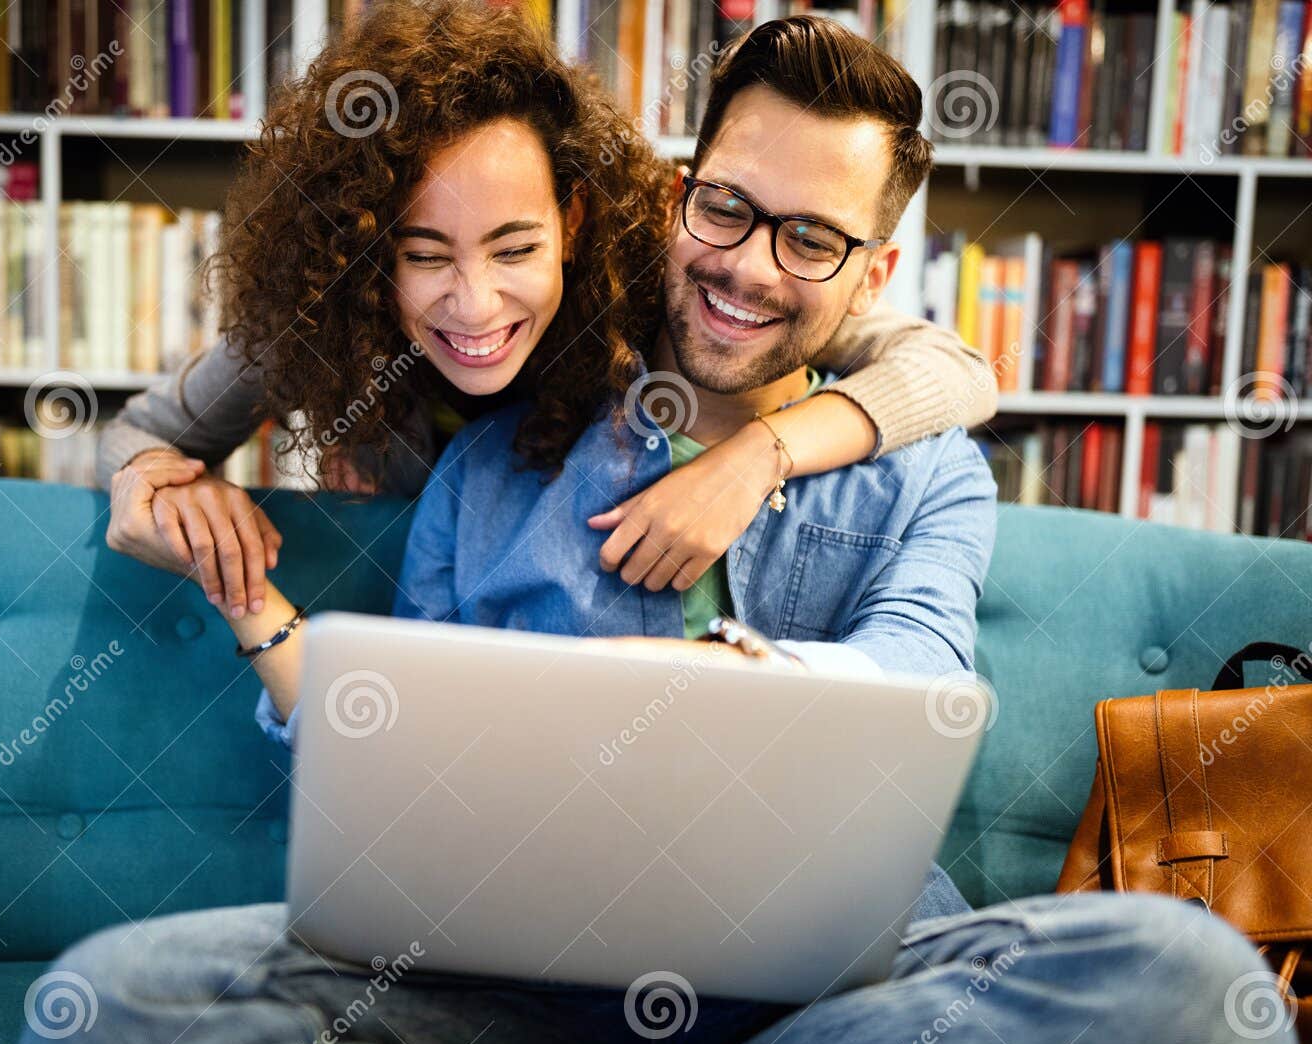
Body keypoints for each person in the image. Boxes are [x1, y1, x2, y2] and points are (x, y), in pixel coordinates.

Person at [18, 14, 1297, 1044]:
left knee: (1186, 980)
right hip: (512, 984)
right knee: (120, 999)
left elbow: (918, 657)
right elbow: (389, 761)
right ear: (680, 197)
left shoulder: (925, 473)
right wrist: (175, 502)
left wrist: (759, 629)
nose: (749, 265)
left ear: (871, 272)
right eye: (730, 210)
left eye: (811, 238)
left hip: (833, 993)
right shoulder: (493, 457)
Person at [99, 0, 997, 625]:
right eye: (423, 254)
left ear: (569, 225)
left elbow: (953, 372)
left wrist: (756, 458)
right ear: (369, 252)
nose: (477, 303)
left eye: (516, 249)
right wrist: (150, 483)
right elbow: (141, 432)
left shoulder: (681, 262)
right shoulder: (322, 305)